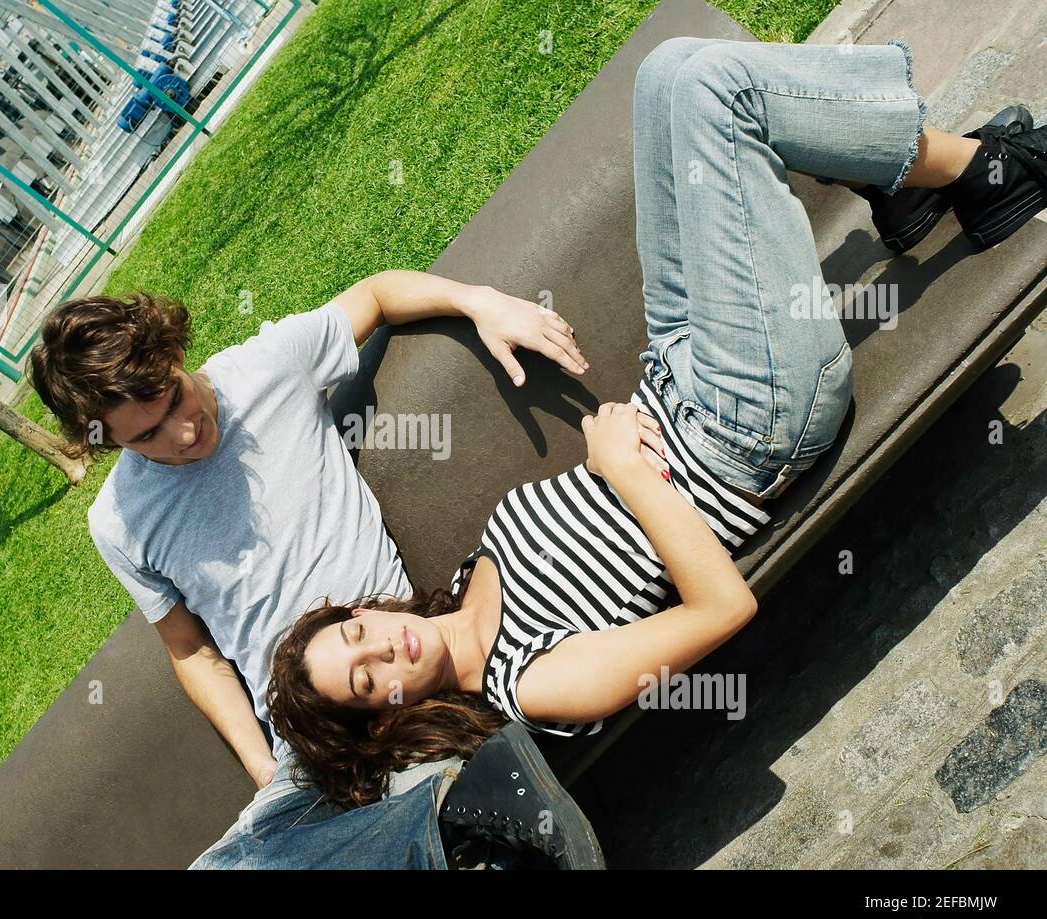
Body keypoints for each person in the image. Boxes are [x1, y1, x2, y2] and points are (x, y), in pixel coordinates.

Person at [266, 36, 1046, 807]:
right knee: (717, 94)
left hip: (679, 370)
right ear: (386, 723)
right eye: (368, 682)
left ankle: (916, 173)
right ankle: (977, 170)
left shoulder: (464, 587)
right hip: (750, 424)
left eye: (357, 633)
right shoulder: (534, 687)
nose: (384, 648)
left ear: (362, 610)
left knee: (668, 76)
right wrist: (630, 473)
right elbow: (722, 607)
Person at [28, 269, 603, 868]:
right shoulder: (119, 523)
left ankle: (465, 810)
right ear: (106, 441)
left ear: (173, 352)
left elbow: (377, 297)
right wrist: (264, 768)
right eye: (148, 436)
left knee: (422, 827)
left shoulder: (271, 366)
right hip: (303, 750)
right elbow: (191, 653)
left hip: (388, 689)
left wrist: (479, 300)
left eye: (174, 397)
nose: (185, 430)